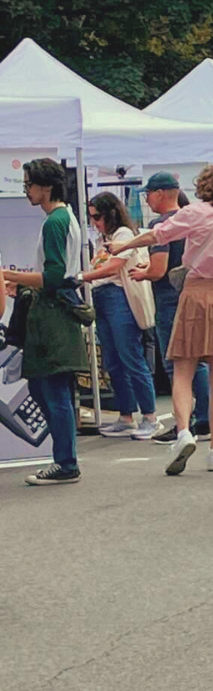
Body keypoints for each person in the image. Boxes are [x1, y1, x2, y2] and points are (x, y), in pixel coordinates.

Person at [110, 165, 213, 476]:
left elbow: (158, 234)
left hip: (193, 293)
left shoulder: (194, 212)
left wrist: (124, 245)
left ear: (204, 187)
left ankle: (183, 431)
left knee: (183, 370)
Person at [1, 159, 89, 485]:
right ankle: (64, 459)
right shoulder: (64, 218)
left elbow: (53, 277)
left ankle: (66, 462)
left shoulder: (55, 221)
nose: (26, 190)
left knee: (52, 390)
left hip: (52, 313)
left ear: (45, 187)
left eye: (29, 184)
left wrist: (9, 275)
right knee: (45, 387)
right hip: (56, 310)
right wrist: (21, 283)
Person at [131, 173, 211, 446]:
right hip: (194, 292)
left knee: (176, 363)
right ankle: (204, 418)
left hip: (168, 298)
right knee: (197, 360)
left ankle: (185, 424)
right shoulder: (192, 219)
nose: (147, 199)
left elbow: (158, 269)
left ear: (161, 193)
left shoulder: (162, 225)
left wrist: (142, 273)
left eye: (149, 194)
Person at [80, 192, 160, 440]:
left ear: (109, 214)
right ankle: (126, 415)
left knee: (131, 357)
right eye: (91, 217)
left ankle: (149, 416)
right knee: (112, 361)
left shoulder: (124, 234)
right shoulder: (106, 237)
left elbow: (114, 267)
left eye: (97, 217)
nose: (94, 222)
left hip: (118, 298)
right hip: (103, 297)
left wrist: (81, 277)